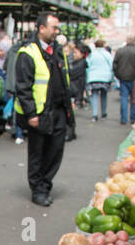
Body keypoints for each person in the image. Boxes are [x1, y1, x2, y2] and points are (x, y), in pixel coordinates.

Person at [14, 11, 71, 206]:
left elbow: (63, 80)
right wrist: (31, 114)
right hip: (39, 113)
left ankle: (46, 184)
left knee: (55, 151)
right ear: (41, 28)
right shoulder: (28, 52)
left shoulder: (57, 50)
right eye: (54, 27)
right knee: (38, 153)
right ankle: (37, 189)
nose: (57, 31)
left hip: (58, 111)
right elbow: (22, 87)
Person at [112, 36, 135, 124]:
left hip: (123, 77)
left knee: (124, 98)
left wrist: (117, 75)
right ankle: (132, 118)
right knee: (133, 98)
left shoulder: (120, 50)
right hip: (134, 77)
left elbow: (115, 64)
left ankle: (123, 119)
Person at [86, 38, 114, 120]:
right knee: (104, 95)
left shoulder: (92, 54)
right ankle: (103, 113)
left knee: (94, 95)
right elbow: (111, 65)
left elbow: (87, 65)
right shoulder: (107, 54)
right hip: (105, 77)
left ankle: (94, 114)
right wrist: (111, 77)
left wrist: (88, 76)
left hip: (93, 77)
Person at [66, 44, 88, 142]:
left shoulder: (80, 64)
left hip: (75, 91)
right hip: (75, 90)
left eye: (75, 52)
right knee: (71, 113)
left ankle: (70, 132)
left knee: (71, 113)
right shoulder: (78, 63)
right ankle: (71, 132)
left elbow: (72, 75)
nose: (73, 54)